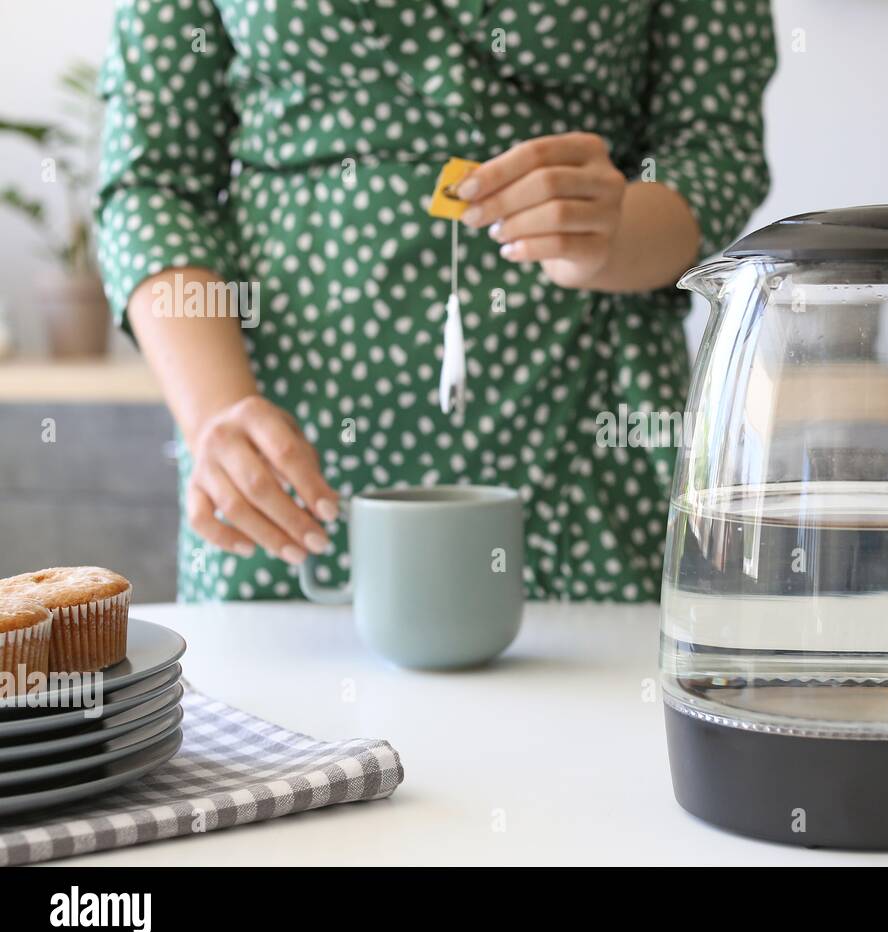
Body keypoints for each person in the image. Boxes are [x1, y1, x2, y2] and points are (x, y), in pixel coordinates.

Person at [97, 0, 775, 601]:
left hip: (584, 436)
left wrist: (614, 229)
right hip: (283, 461)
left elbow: (715, 150)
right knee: (277, 733)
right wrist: (216, 408)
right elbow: (152, 182)